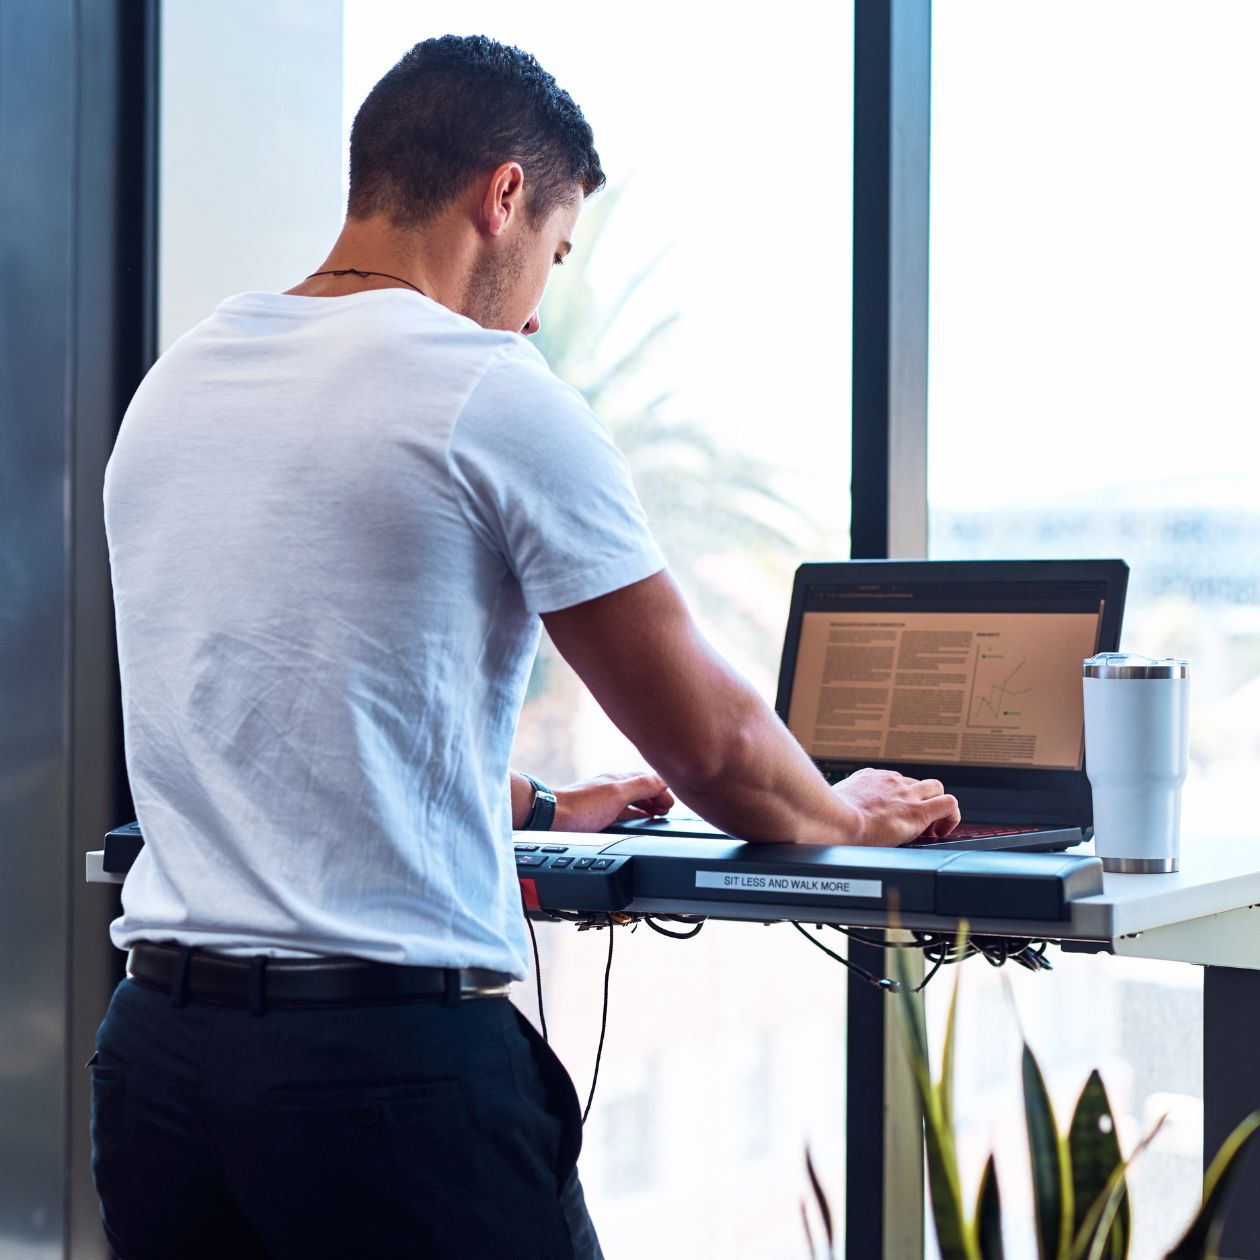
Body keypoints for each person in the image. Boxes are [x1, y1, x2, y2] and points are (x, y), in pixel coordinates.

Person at [92, 33, 960, 1260]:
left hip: (162, 1073)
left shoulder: (179, 386)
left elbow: (275, 724)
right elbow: (715, 743)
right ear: (502, 196)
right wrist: (847, 814)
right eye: (555, 249)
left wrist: (547, 801)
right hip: (379, 1081)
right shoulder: (482, 388)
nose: (545, 301)